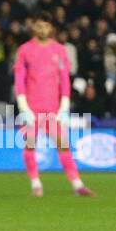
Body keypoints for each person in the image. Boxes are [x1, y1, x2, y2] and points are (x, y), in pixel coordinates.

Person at [14, 15, 93, 198]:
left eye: (46, 25)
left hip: (53, 108)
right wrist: (24, 106)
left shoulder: (59, 50)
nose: (43, 29)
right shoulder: (25, 50)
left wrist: (64, 105)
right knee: (29, 146)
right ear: (34, 28)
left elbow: (64, 78)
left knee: (63, 146)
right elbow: (19, 79)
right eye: (39, 25)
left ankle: (77, 184)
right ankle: (35, 183)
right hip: (32, 108)